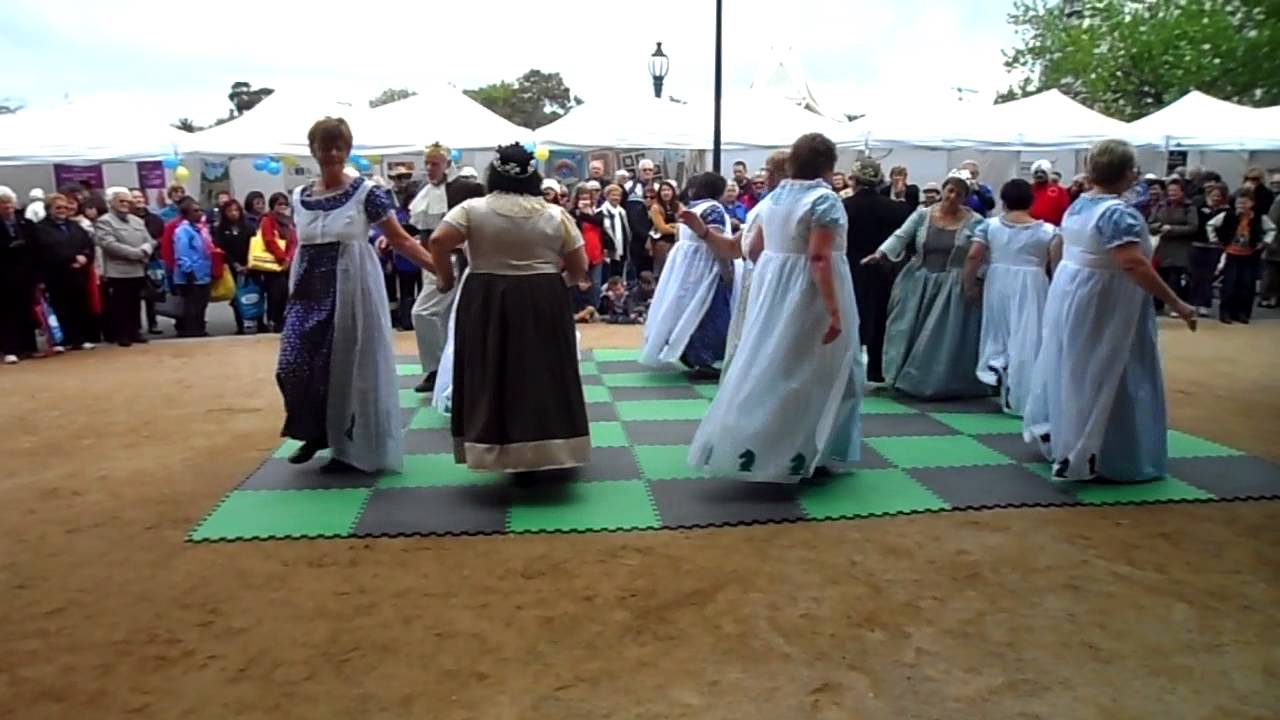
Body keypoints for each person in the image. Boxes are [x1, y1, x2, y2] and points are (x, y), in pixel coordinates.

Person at [689, 132, 862, 481]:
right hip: (811, 292)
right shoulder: (824, 201)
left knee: (774, 365)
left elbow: (752, 251)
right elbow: (818, 257)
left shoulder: (772, 201)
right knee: (824, 370)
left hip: (776, 291)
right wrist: (834, 310)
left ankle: (761, 446)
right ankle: (810, 450)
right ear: (829, 165)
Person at [1024, 139, 1196, 482]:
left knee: (1077, 366)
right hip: (1106, 299)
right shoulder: (1115, 212)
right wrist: (1177, 303)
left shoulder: (1080, 205)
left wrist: (1063, 281)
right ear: (1128, 173)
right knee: (1109, 366)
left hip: (1076, 291)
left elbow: (1060, 245)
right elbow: (1133, 263)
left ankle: (1071, 438)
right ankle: (1103, 452)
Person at [277, 117, 435, 471]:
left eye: (338, 146)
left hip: (351, 289)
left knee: (349, 370)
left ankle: (347, 444)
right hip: (307, 291)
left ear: (347, 150)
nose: (332, 153)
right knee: (293, 365)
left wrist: (437, 268)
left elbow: (400, 239)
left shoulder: (366, 193)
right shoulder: (299, 196)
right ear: (313, 150)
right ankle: (313, 429)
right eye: (325, 146)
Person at [427, 143, 590, 473]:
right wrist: (561, 283)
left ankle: (493, 449)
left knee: (491, 369)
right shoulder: (555, 214)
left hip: (486, 293)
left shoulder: (472, 209)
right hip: (544, 295)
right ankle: (551, 450)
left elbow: (437, 241)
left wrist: (445, 279)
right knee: (545, 372)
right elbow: (579, 265)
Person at [861, 173, 989, 400]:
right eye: (950, 191)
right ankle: (898, 376)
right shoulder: (922, 215)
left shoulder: (976, 221)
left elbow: (980, 254)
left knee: (940, 336)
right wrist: (880, 253)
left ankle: (935, 382)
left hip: (951, 284)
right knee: (903, 327)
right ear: (943, 190)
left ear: (965, 198)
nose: (953, 197)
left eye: (959, 194)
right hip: (918, 278)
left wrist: (976, 280)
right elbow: (901, 235)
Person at [963, 179, 1060, 415]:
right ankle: (1023, 394)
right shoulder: (1050, 231)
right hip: (1034, 284)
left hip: (998, 281)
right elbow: (1057, 266)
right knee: (1028, 338)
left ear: (1003, 201)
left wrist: (969, 285)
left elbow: (974, 256)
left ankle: (997, 366)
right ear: (1031, 200)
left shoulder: (989, 226)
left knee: (998, 331)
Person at [641, 172, 738, 378]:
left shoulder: (690, 208)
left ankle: (687, 350)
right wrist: (727, 271)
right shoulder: (713, 209)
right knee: (710, 310)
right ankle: (703, 357)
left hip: (687, 265)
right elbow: (716, 241)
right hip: (707, 267)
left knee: (686, 307)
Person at [408, 142, 485, 394]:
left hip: (452, 260)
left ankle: (437, 369)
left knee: (424, 313)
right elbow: (420, 224)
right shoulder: (425, 191)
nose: (429, 169)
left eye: (435, 164)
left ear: (447, 165)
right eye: (427, 164)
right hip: (429, 258)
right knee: (444, 316)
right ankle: (447, 369)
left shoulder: (467, 188)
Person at [843, 158, 912, 384]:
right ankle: (876, 370)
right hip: (883, 268)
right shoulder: (892, 208)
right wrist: (900, 197)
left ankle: (846, 370)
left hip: (850, 267)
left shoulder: (844, 206)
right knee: (880, 318)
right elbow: (907, 224)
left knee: (850, 318)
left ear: (853, 180)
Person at [724, 151, 789, 370]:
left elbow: (751, 249)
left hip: (765, 272)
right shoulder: (773, 201)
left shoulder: (773, 204)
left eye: (768, 171)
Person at [32, 193, 96, 353]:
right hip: (55, 276)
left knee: (80, 307)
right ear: (49, 209)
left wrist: (85, 256)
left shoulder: (75, 226)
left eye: (65, 208)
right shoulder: (39, 229)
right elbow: (45, 251)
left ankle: (79, 339)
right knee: (59, 308)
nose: (63, 210)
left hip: (78, 274)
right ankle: (60, 340)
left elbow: (88, 244)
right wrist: (71, 258)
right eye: (58, 208)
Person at [94, 187, 155, 347]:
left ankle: (135, 331)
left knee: (135, 303)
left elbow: (149, 240)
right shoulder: (104, 221)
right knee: (120, 305)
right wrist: (135, 253)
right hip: (118, 271)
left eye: (128, 201)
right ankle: (122, 334)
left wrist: (146, 250)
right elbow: (108, 244)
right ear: (111, 203)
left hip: (138, 269)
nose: (125, 204)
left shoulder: (137, 221)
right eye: (121, 201)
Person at [1206, 187, 1275, 324]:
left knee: (1247, 285)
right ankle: (1225, 313)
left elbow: (1271, 229)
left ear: (1252, 203)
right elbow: (1210, 225)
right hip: (1232, 253)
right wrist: (1215, 240)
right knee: (1229, 285)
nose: (1242, 206)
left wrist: (1265, 242)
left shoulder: (1259, 217)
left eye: (1245, 203)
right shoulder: (1227, 215)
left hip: (1250, 255)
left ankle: (1243, 313)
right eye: (1239, 203)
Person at [1148, 177, 1198, 315]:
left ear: (1182, 192)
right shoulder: (1160, 205)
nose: (1172, 193)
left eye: (1175, 191)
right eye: (1170, 190)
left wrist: (1173, 229)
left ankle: (1176, 306)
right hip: (1162, 247)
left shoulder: (1189, 207)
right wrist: (1158, 227)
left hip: (1180, 248)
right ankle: (1157, 305)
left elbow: (1193, 227)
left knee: (1175, 278)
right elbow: (1150, 223)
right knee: (1160, 277)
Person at [1, 186, 37, 363]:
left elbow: (37, 247)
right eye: (3, 203)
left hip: (26, 274)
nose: (8, 207)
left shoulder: (25, 223)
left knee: (26, 309)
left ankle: (29, 347)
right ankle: (9, 349)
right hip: (4, 276)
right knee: (7, 313)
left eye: (9, 202)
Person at [253, 192, 297, 333]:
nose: (282, 207)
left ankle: (284, 320)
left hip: (288, 262)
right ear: (273, 205)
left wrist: (289, 258)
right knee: (276, 294)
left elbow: (294, 241)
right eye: (279, 204)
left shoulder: (289, 221)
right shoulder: (267, 220)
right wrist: (282, 258)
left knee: (286, 294)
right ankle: (274, 321)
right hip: (273, 264)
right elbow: (269, 240)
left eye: (284, 204)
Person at [172, 198, 213, 338]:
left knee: (201, 305)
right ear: (187, 213)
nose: (199, 213)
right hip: (190, 276)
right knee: (191, 307)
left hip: (203, 273)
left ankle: (199, 328)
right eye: (195, 211)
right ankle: (190, 331)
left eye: (200, 209)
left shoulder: (199, 229)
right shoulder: (182, 231)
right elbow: (182, 252)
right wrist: (189, 271)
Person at [1189, 182, 1230, 316]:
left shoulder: (1226, 211)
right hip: (1197, 244)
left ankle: (1204, 303)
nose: (1216, 198)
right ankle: (1193, 302)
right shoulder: (1199, 207)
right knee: (1195, 275)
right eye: (1214, 195)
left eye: (1219, 196)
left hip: (1215, 246)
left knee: (1209, 276)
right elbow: (1196, 225)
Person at [214, 199, 253, 334]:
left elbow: (254, 246)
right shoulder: (220, 229)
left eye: (236, 210)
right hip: (231, 267)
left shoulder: (248, 227)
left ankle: (258, 321)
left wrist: (249, 263)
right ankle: (240, 324)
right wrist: (234, 264)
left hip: (250, 265)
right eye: (230, 211)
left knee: (254, 292)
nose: (233, 213)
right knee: (236, 297)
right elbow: (221, 249)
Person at [623, 159, 657, 273]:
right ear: (639, 171)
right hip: (635, 233)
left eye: (650, 170)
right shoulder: (628, 187)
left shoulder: (658, 187)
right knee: (636, 267)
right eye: (644, 170)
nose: (647, 172)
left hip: (654, 231)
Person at [647, 180, 681, 276]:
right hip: (662, 244)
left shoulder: (678, 205)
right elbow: (662, 228)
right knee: (662, 272)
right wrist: (675, 228)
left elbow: (683, 222)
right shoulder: (656, 207)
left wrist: (673, 226)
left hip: (676, 242)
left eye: (668, 190)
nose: (666, 193)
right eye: (663, 190)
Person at [599, 184, 631, 279]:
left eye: (618, 195)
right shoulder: (601, 212)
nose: (616, 198)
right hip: (608, 252)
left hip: (622, 250)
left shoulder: (622, 212)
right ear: (607, 196)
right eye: (613, 195)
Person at [1028, 159, 1071, 225]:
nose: (1039, 175)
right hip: (1030, 228)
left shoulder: (1060, 191)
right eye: (1036, 172)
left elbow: (1066, 211)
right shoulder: (1027, 189)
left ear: (1048, 174)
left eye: (1043, 172)